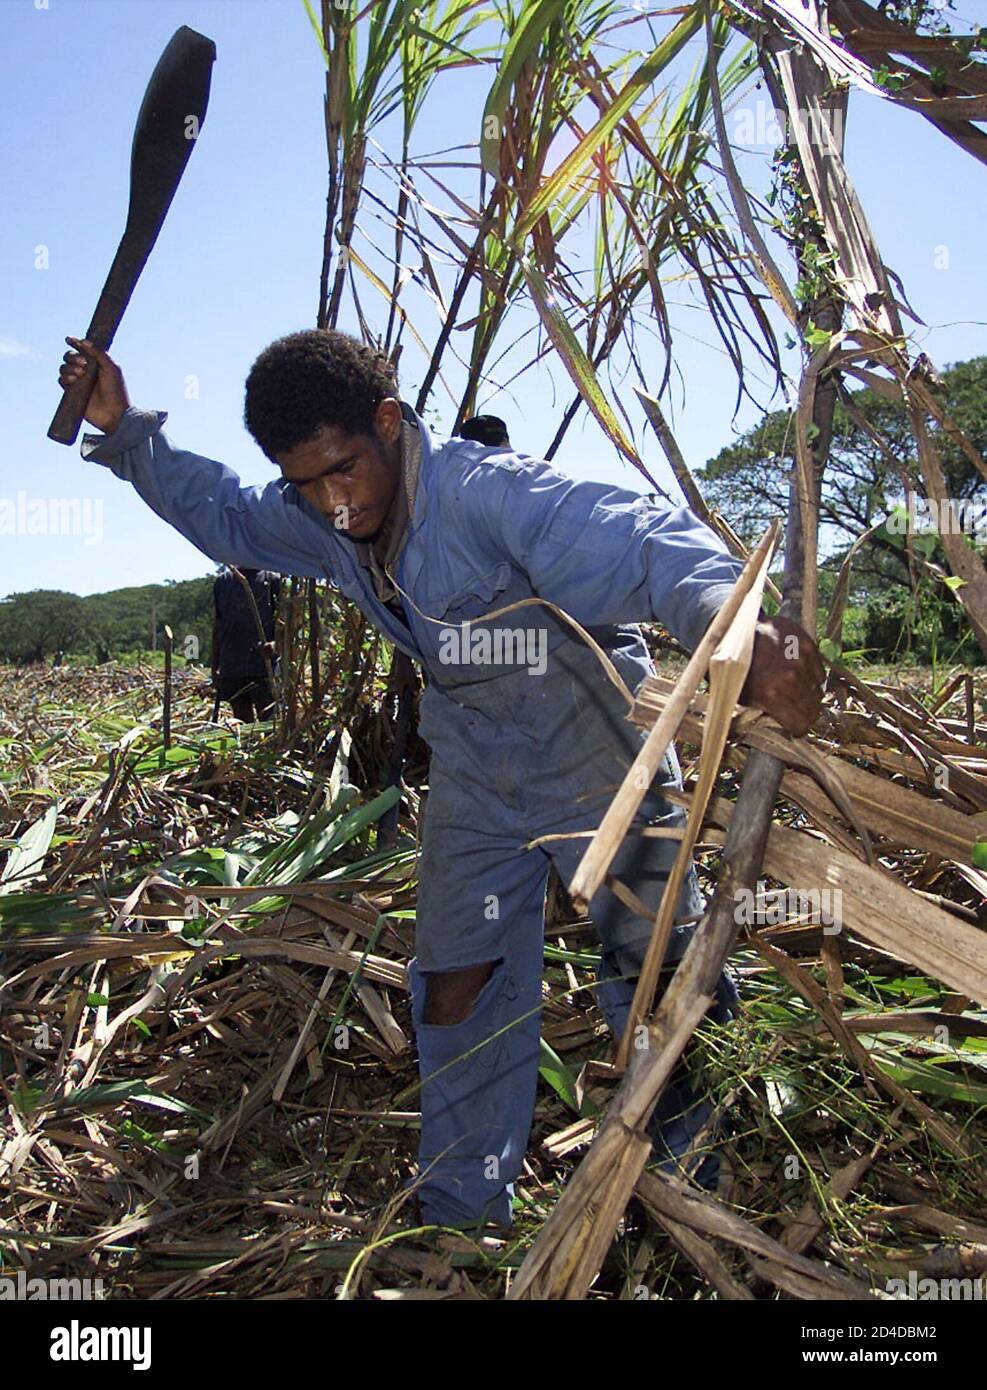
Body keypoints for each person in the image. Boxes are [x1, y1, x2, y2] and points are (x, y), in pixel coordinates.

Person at [59, 329, 824, 1231]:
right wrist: (126, 435)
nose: (331, 505)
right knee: (457, 981)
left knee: (656, 970)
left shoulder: (487, 492)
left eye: (342, 471)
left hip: (593, 750)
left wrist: (740, 629)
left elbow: (647, 545)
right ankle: (465, 1214)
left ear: (388, 422)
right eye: (305, 483)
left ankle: (690, 1194)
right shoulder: (319, 511)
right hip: (470, 759)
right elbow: (224, 513)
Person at [211, 566, 280, 721]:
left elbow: (286, 624)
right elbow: (218, 625)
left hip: (263, 667)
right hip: (232, 666)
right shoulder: (223, 582)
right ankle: (248, 746)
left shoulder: (271, 580)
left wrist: (275, 645)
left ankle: (270, 745)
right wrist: (215, 664)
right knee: (242, 722)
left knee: (269, 719)